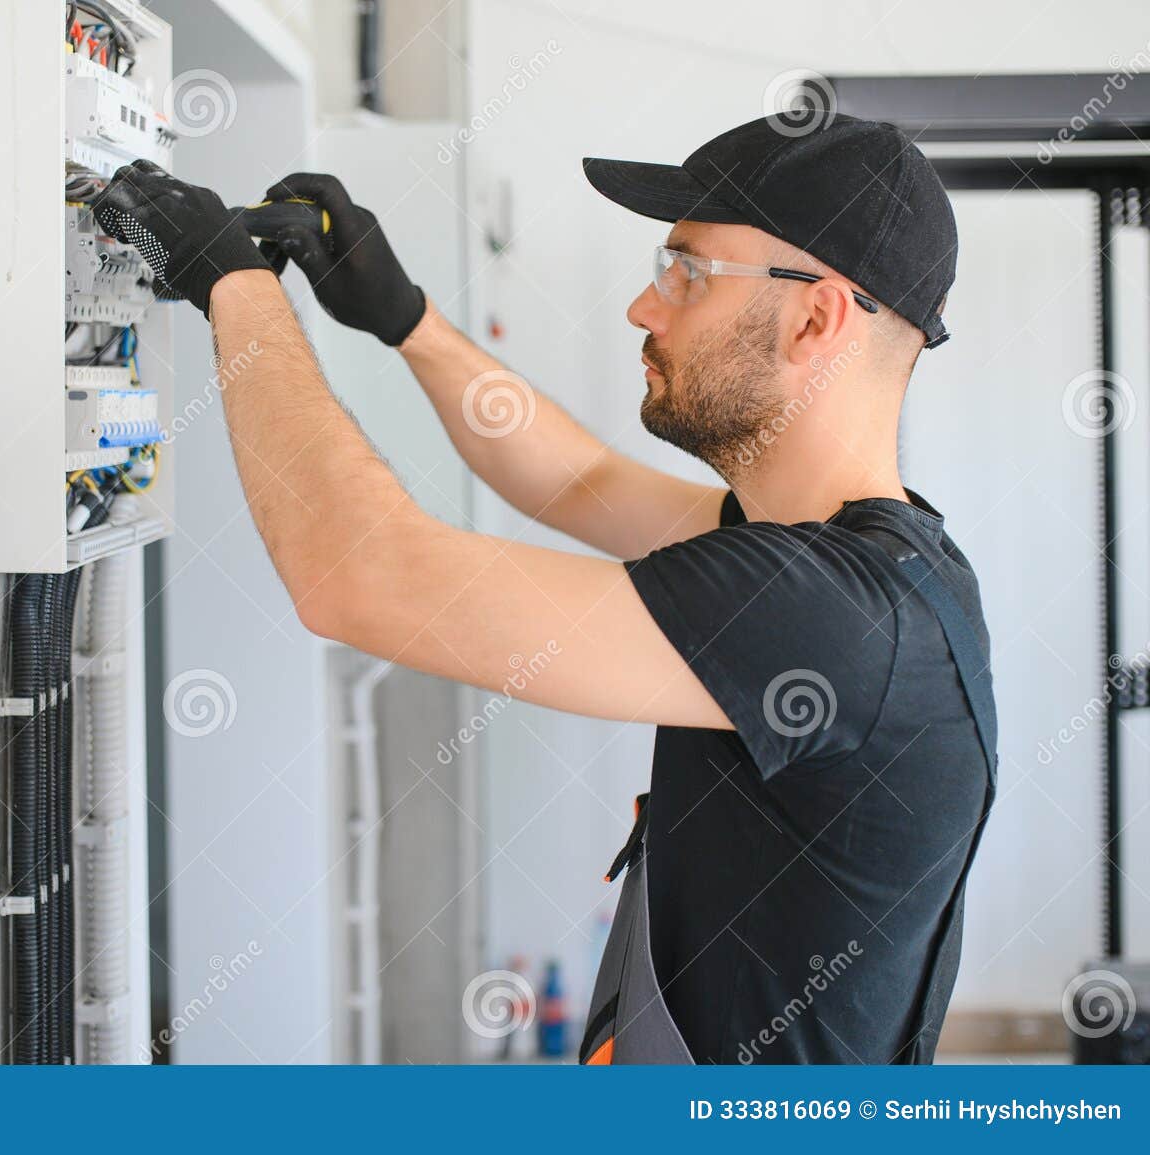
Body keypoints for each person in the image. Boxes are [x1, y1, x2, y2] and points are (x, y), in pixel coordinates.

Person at [92, 111, 996, 1064]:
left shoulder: (825, 615)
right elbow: (581, 483)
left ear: (817, 318)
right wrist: (407, 319)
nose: (644, 309)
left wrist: (234, 291)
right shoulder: (881, 566)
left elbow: (358, 577)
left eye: (687, 271)